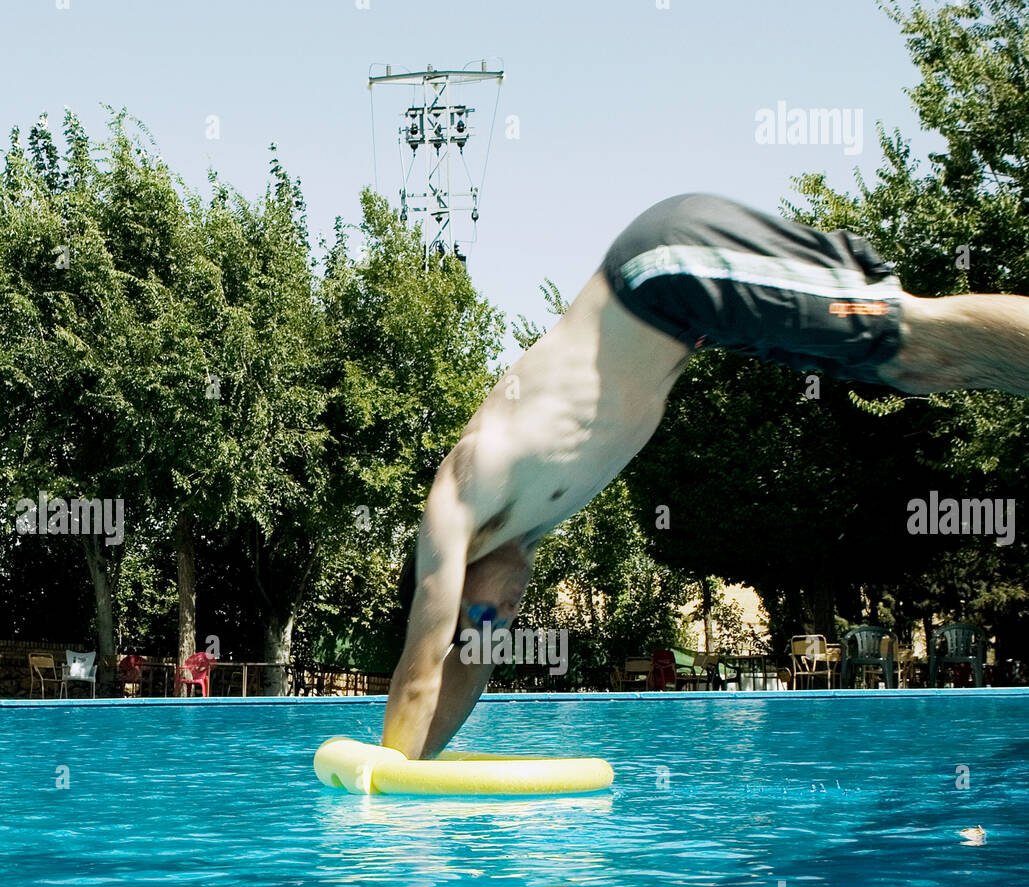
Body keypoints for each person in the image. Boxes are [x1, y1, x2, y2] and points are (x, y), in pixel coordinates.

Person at [382, 191, 1029, 758]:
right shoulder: (519, 531)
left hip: (666, 267)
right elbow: (466, 661)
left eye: (486, 618)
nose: (504, 620)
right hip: (689, 311)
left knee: (907, 333)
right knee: (910, 367)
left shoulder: (459, 498)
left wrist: (380, 797)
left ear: (459, 589)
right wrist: (420, 768)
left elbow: (424, 667)